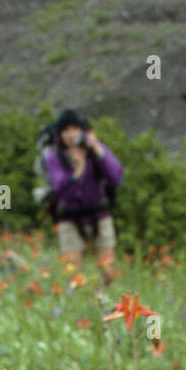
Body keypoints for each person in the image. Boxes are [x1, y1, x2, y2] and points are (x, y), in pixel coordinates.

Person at [42, 109, 124, 284]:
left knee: (108, 271)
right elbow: (61, 190)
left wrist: (97, 150)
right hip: (70, 219)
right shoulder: (54, 157)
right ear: (60, 134)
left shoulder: (94, 150)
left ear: (82, 130)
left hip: (99, 215)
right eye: (66, 130)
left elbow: (116, 177)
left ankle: (108, 304)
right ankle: (81, 305)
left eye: (75, 129)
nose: (71, 134)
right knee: (74, 276)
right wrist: (78, 168)